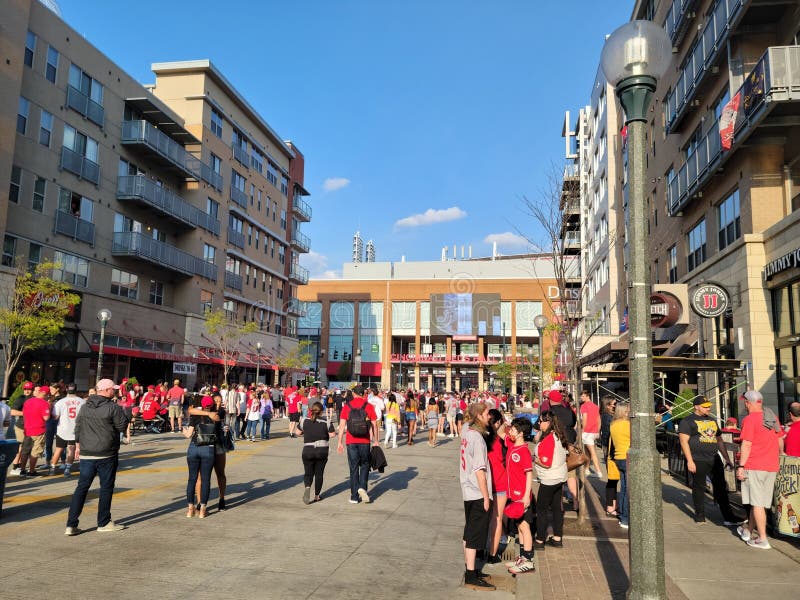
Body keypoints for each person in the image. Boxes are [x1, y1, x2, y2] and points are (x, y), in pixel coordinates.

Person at [65, 379, 129, 535]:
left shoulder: (85, 406)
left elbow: (78, 428)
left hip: (87, 453)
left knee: (82, 488)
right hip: (106, 453)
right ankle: (104, 522)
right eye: (113, 389)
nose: (114, 391)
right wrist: (126, 413)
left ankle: (71, 524)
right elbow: (122, 426)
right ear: (107, 390)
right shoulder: (112, 407)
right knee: (106, 488)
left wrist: (79, 446)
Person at [677, 395, 740, 525]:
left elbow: (719, 440)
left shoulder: (712, 420)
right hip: (697, 459)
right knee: (699, 487)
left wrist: (727, 458)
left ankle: (729, 517)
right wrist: (690, 460)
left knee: (721, 487)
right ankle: (700, 516)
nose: (708, 408)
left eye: (709, 406)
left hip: (713, 457)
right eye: (705, 407)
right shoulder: (687, 421)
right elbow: (683, 441)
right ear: (696, 407)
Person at [736, 390, 781, 549]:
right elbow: (779, 440)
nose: (745, 405)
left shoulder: (749, 419)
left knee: (757, 503)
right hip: (771, 465)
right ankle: (748, 531)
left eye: (745, 403)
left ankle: (762, 538)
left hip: (755, 465)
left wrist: (741, 466)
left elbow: (746, 444)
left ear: (748, 402)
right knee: (760, 502)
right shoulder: (772, 417)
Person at [459, 401, 495, 591]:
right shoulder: (478, 439)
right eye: (487, 413)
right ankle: (471, 574)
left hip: (467, 489)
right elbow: (480, 470)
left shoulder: (467, 431)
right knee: (474, 535)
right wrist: (486, 496)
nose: (489, 416)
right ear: (480, 415)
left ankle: (470, 569)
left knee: (469, 532)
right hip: (476, 491)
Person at [337, 386, 378, 504]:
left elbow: (342, 425)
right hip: (365, 441)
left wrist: (340, 442)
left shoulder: (347, 406)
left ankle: (354, 497)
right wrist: (375, 440)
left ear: (354, 394)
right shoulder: (368, 406)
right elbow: (374, 425)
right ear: (363, 394)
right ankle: (362, 488)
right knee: (365, 465)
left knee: (353, 468)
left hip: (351, 441)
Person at [505, 417, 536, 575]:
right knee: (519, 527)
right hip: (513, 494)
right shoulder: (512, 445)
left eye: (513, 430)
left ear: (521, 433)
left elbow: (529, 475)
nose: (510, 431)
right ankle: (523, 557)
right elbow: (501, 430)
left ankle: (528, 560)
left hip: (521, 496)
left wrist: (526, 496)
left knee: (525, 527)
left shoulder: (523, 451)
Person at [190, 393, 227, 511]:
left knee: (220, 473)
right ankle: (200, 501)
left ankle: (222, 499)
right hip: (205, 445)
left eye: (220, 401)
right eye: (216, 400)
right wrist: (206, 412)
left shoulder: (220, 412)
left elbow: (215, 416)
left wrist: (207, 412)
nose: (218, 403)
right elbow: (190, 410)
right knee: (201, 476)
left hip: (218, 446)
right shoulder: (206, 411)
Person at [184, 396, 218, 518]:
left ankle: (190, 509)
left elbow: (188, 435)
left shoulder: (195, 416)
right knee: (205, 480)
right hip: (208, 449)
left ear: (202, 405)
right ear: (212, 404)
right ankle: (203, 509)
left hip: (193, 447)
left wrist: (184, 430)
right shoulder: (216, 416)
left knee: (192, 479)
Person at [298, 401, 336, 504]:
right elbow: (332, 435)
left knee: (308, 472)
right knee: (319, 473)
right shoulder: (327, 421)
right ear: (322, 412)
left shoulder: (304, 421)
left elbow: (297, 432)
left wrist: (306, 432)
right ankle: (317, 495)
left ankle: (307, 487)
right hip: (322, 450)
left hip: (307, 450)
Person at [485, 409, 507, 564]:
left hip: (483, 484)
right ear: (498, 422)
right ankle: (492, 554)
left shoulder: (481, 438)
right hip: (499, 483)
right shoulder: (501, 441)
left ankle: (479, 549)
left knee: (483, 519)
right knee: (497, 519)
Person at [50, 383, 85, 476]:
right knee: (72, 450)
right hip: (75, 430)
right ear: (76, 390)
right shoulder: (82, 402)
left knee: (58, 449)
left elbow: (55, 416)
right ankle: (67, 469)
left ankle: (52, 468)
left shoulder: (61, 402)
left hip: (62, 430)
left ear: (66, 389)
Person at [16, 385, 51, 477]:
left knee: (25, 451)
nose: (48, 396)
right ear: (45, 393)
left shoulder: (28, 401)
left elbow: (24, 413)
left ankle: (22, 471)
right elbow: (46, 418)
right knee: (35, 451)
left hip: (27, 429)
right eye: (48, 395)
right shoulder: (44, 403)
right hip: (39, 430)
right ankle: (31, 471)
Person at [609, 401, 631, 528]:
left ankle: (623, 516)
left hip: (618, 457)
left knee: (623, 488)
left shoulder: (613, 424)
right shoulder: (628, 424)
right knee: (628, 489)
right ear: (624, 411)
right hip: (627, 457)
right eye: (628, 410)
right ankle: (625, 518)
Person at [9, 381, 35, 475]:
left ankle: (20, 465)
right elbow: (12, 412)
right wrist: (26, 414)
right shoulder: (21, 398)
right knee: (20, 447)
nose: (27, 391)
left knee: (27, 448)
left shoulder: (34, 399)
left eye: (29, 389)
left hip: (31, 427)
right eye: (25, 389)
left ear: (33, 390)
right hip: (21, 426)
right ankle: (15, 466)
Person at [579, 390, 602, 476]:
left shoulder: (584, 406)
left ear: (587, 396)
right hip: (594, 431)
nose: (581, 397)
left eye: (583, 396)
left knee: (592, 452)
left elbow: (584, 419)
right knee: (588, 451)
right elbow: (599, 420)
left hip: (587, 432)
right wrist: (598, 431)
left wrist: (582, 430)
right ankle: (587, 469)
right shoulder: (596, 406)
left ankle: (598, 472)